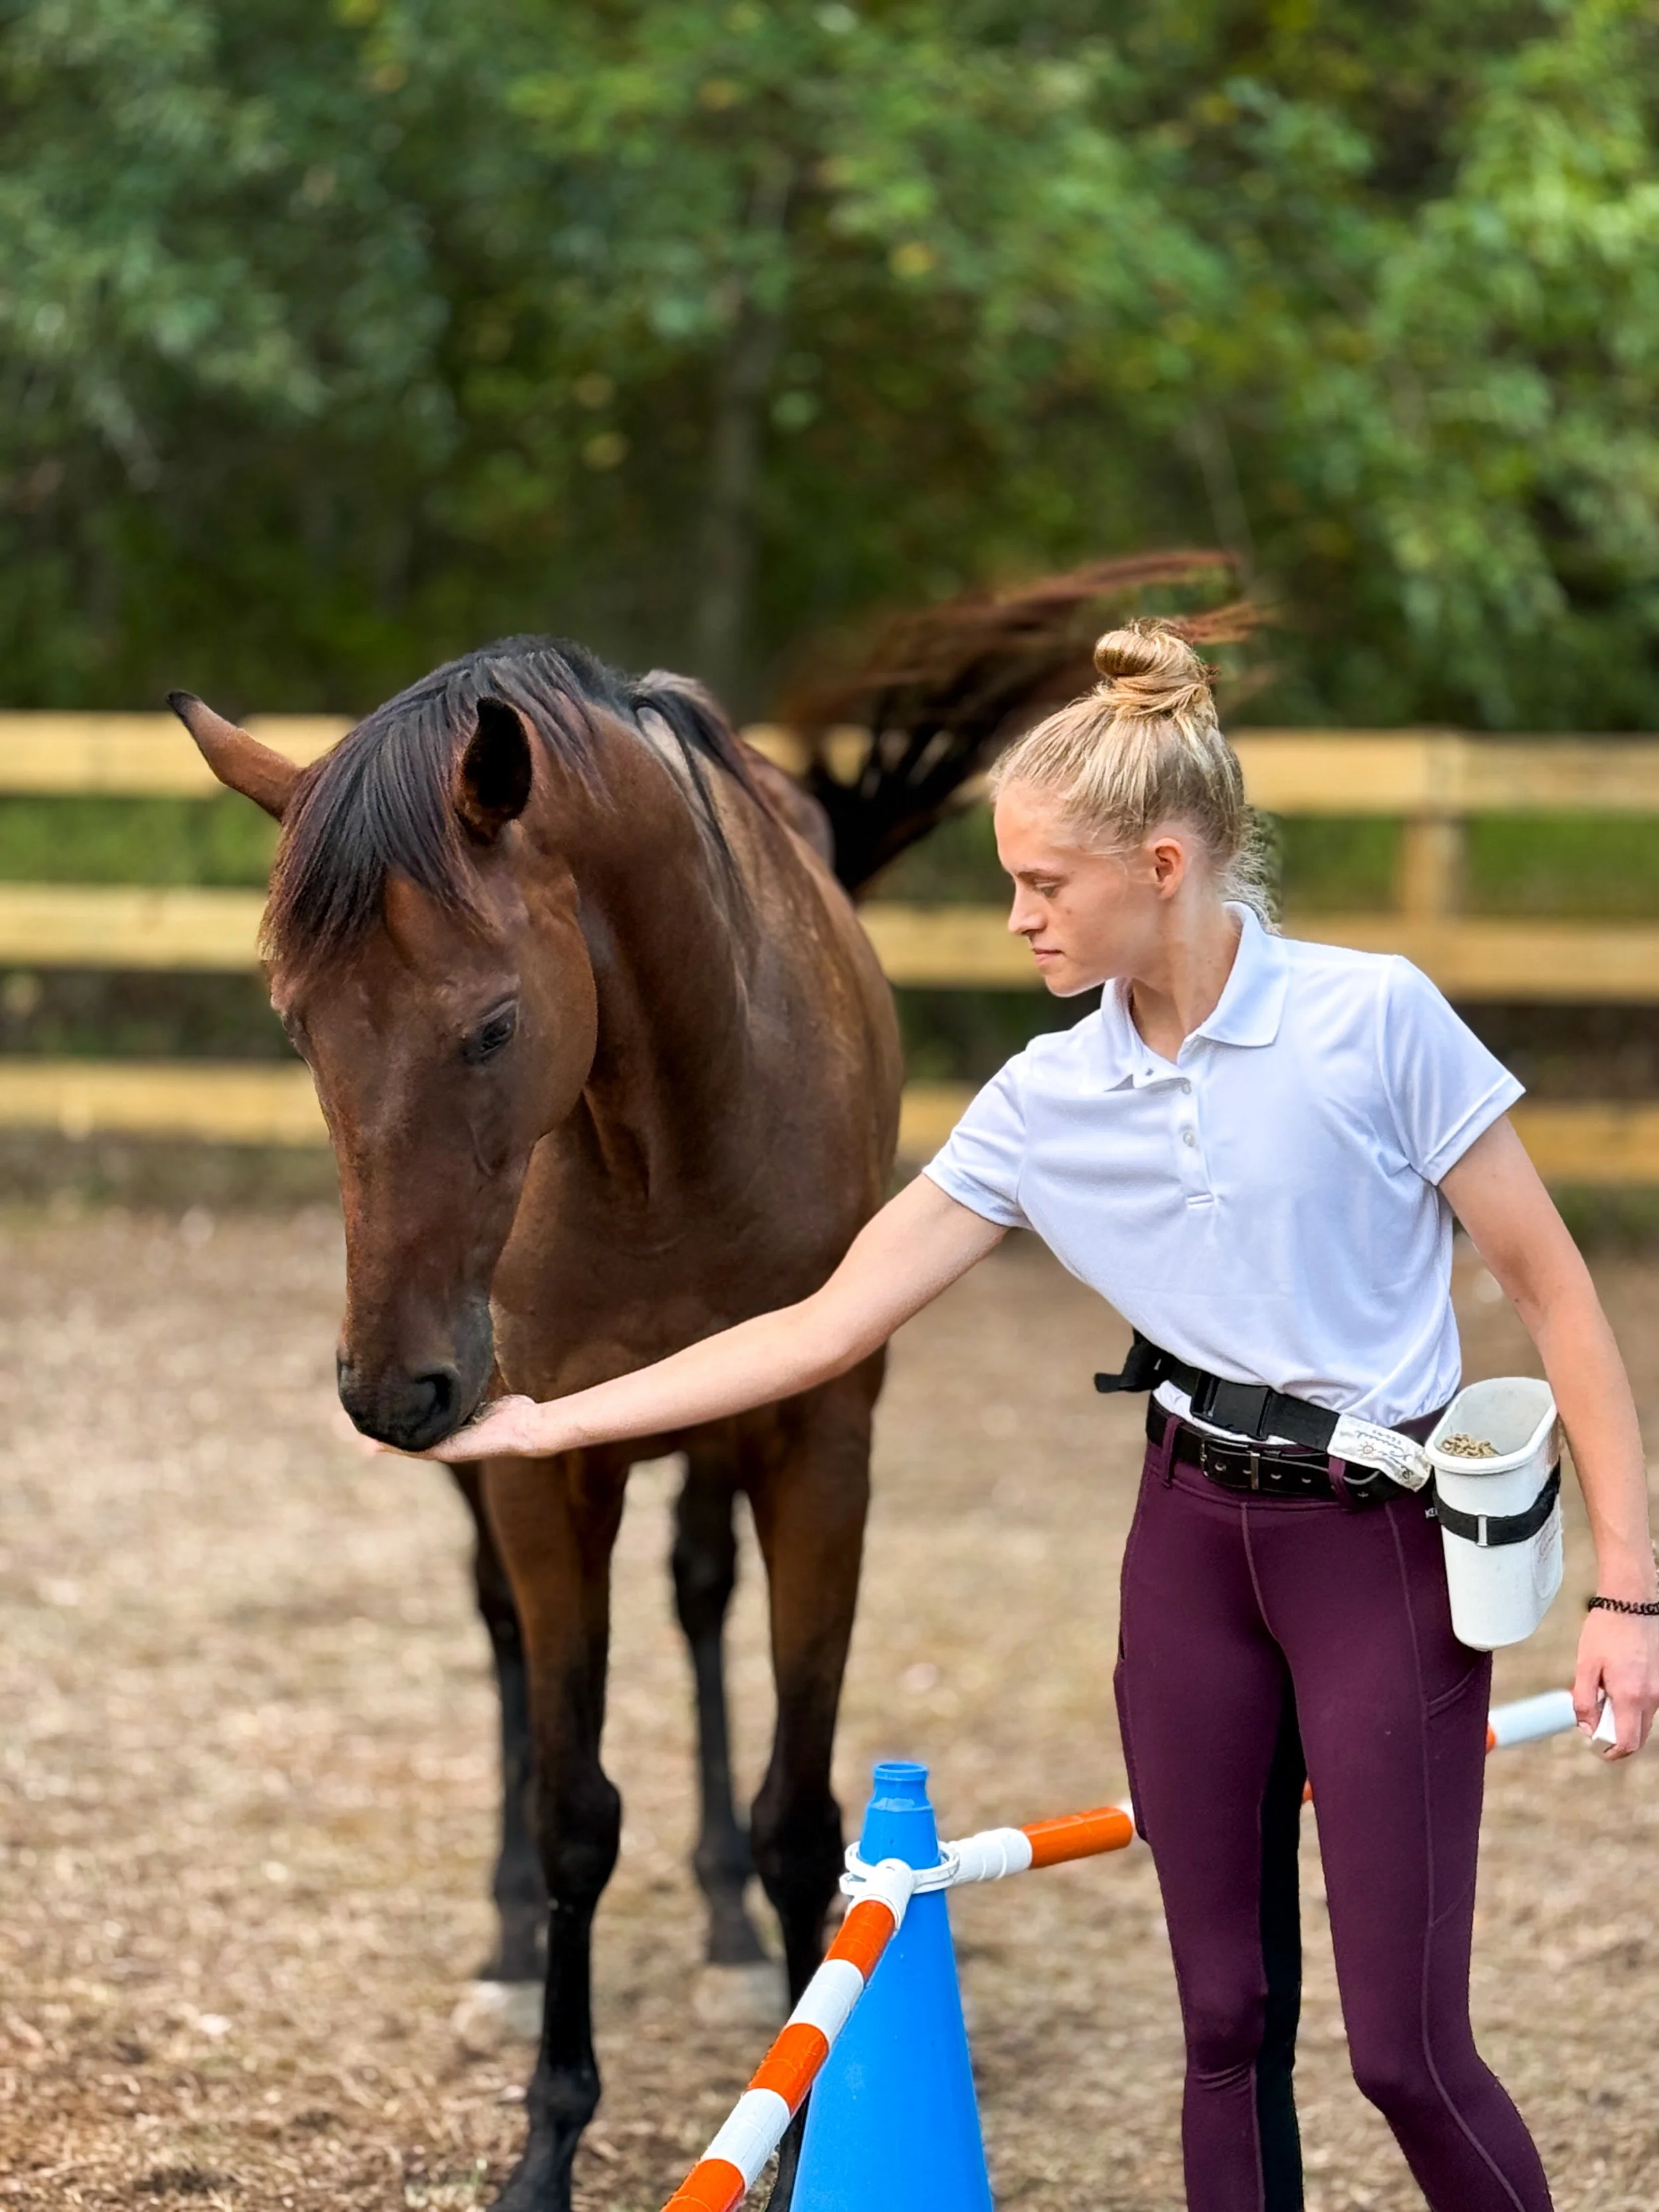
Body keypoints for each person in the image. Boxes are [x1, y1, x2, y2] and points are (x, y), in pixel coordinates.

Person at [403, 623, 1659, 2212]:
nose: (1015, 920)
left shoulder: (1375, 1019)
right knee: (1221, 2024)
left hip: (1383, 1554)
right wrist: (543, 1424)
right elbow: (816, 1324)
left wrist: (1625, 1584)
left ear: (1157, 863)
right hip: (1189, 1551)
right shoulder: (1043, 1103)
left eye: (1042, 886)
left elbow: (1555, 1297)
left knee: (1401, 2050)